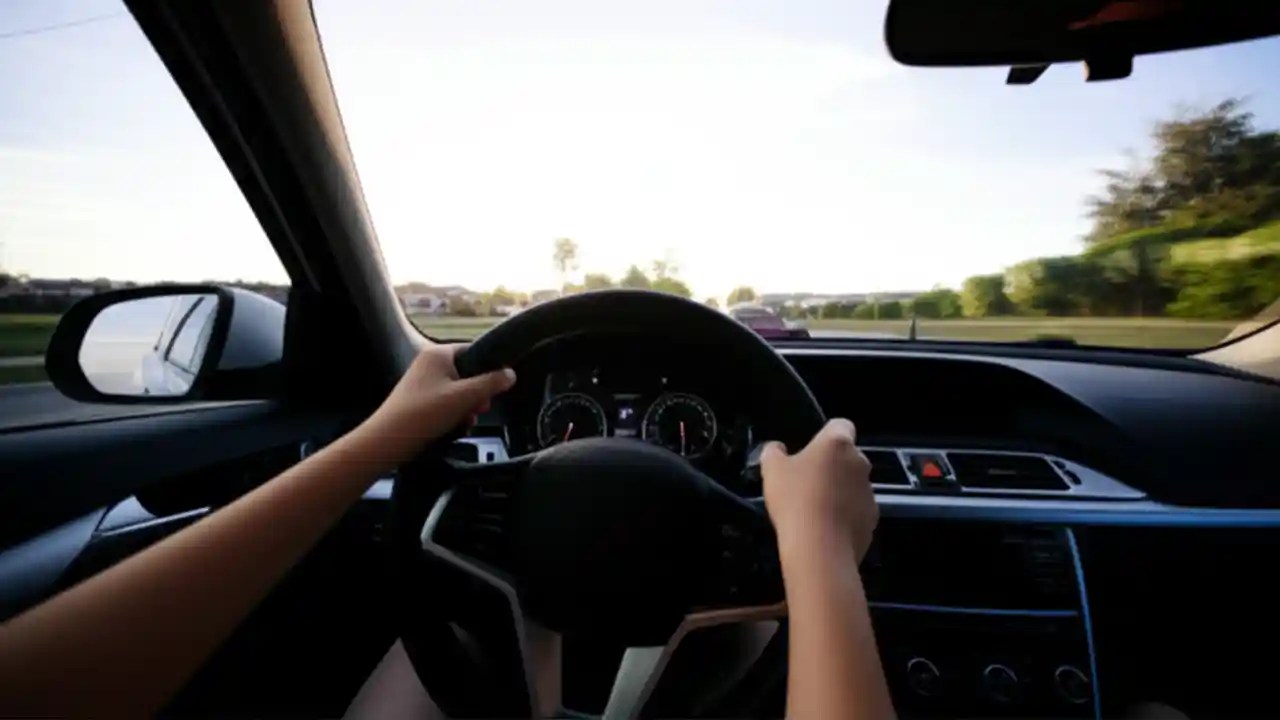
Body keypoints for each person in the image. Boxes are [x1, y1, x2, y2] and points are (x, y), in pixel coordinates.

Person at [0, 344, 892, 719]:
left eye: (676, 434)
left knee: (432, 640)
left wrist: (384, 440)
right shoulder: (810, 540)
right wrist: (816, 551)